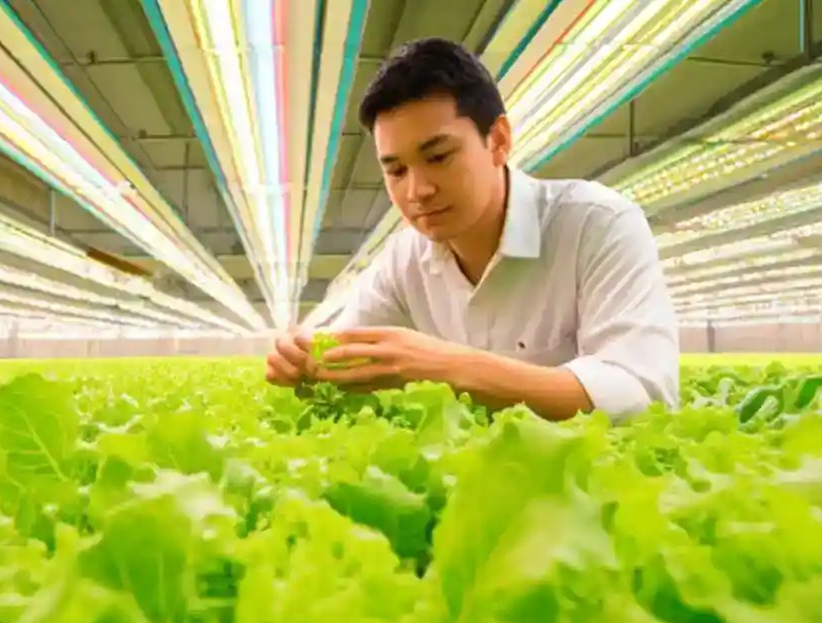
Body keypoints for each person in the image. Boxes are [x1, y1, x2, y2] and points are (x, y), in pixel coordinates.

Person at [265, 37, 679, 422]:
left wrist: (445, 366)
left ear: (498, 140)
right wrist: (304, 361)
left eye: (439, 156)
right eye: (396, 170)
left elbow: (642, 393)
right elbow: (346, 355)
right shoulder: (404, 261)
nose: (418, 190)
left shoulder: (596, 224)